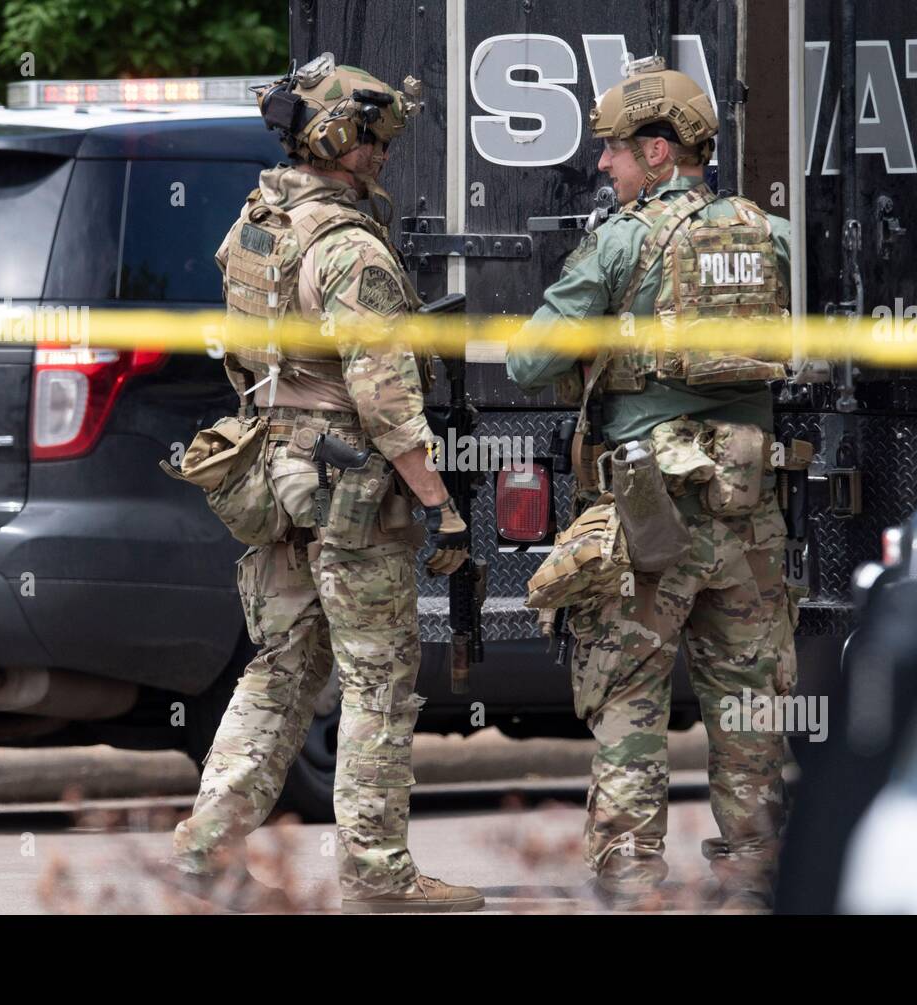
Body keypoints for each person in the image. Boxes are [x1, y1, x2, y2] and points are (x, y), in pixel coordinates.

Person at [167, 53, 482, 914]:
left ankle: (203, 849)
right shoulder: (348, 248)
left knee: (278, 672)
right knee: (377, 683)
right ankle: (378, 874)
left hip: (277, 478)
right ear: (339, 139)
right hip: (352, 490)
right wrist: (440, 504)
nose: (382, 153)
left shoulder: (257, 226)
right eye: (374, 137)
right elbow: (386, 399)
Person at [507, 55, 797, 912]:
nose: (605, 164)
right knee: (747, 701)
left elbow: (526, 360)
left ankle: (632, 879)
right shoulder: (767, 235)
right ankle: (755, 864)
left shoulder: (622, 240)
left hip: (650, 515)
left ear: (662, 151)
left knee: (629, 694)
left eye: (618, 150)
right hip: (751, 510)